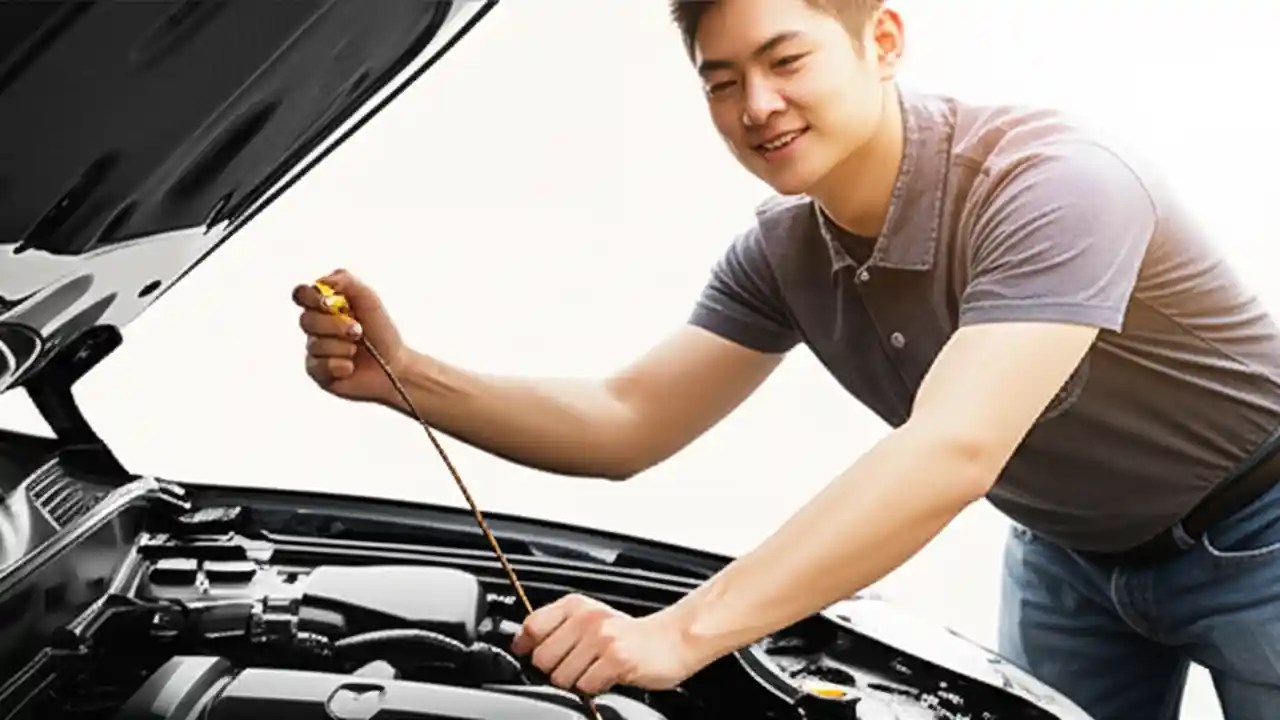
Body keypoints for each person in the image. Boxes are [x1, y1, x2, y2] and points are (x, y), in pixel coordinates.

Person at [291, 0, 1280, 717]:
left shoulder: (1051, 185)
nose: (754, 105)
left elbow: (950, 452)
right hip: (1068, 556)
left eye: (785, 60)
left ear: (880, 40)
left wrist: (678, 634)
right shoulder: (783, 251)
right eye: (721, 81)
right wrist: (408, 378)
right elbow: (627, 420)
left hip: (1259, 539)